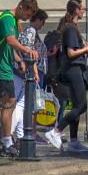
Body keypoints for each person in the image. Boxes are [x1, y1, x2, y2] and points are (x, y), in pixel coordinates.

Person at [0, 0, 34, 155]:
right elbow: (10, 41)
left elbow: (6, 46)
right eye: (27, 14)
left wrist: (18, 60)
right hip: (1, 69)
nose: (27, 18)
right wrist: (27, 51)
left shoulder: (8, 18)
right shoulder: (8, 19)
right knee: (9, 103)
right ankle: (7, 141)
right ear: (21, 7)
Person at [46, 0, 88, 152]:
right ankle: (56, 131)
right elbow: (71, 52)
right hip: (73, 70)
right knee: (82, 105)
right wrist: (86, 50)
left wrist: (85, 47)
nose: (84, 11)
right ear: (75, 10)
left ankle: (74, 141)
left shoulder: (70, 27)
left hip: (72, 69)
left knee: (76, 104)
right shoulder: (71, 29)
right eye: (82, 9)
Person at [22, 8, 63, 150]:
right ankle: (31, 132)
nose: (43, 25)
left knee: (36, 102)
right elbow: (29, 51)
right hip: (36, 71)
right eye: (42, 21)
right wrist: (34, 70)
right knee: (34, 102)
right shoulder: (31, 31)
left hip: (39, 70)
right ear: (37, 19)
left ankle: (32, 132)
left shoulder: (34, 32)